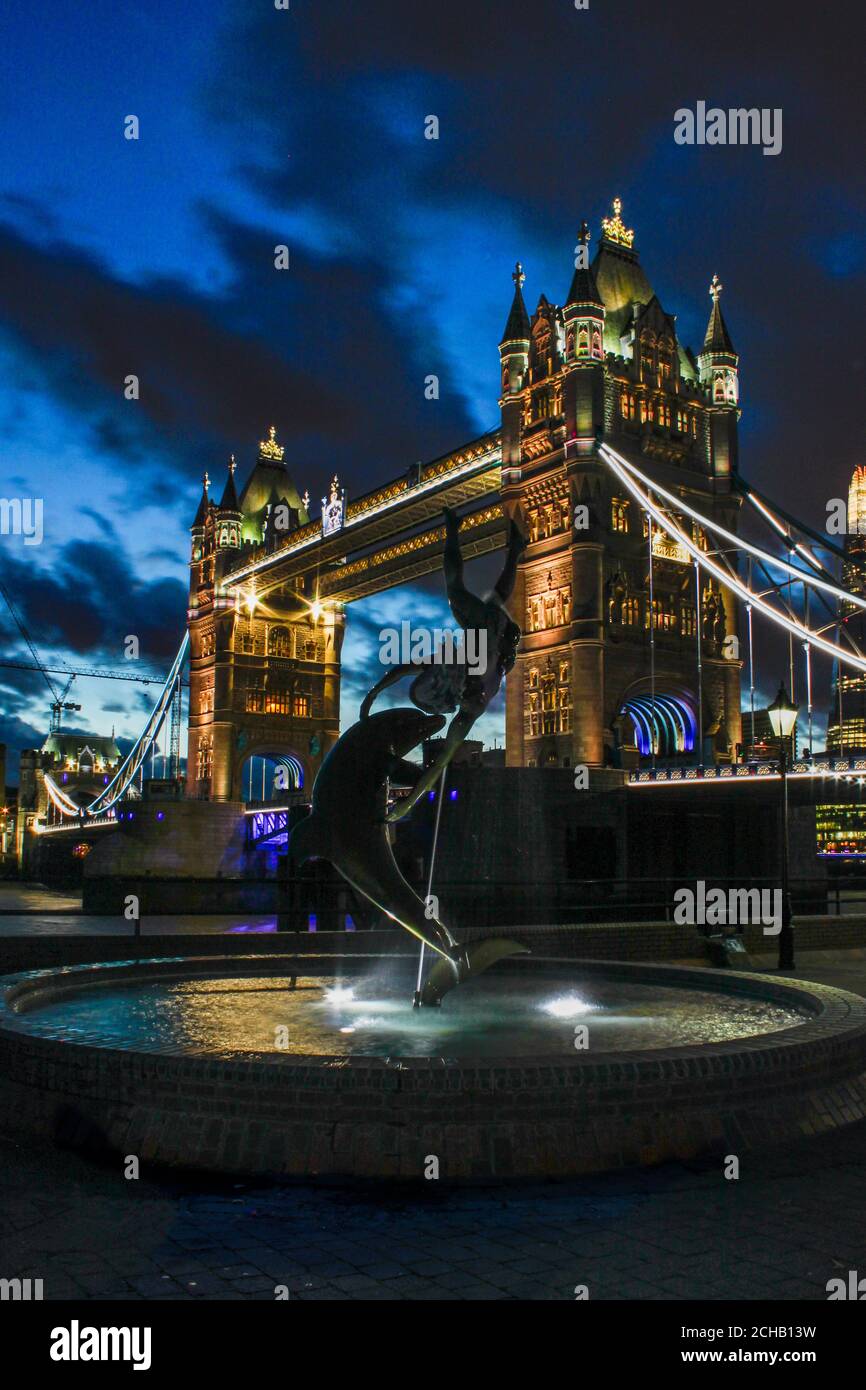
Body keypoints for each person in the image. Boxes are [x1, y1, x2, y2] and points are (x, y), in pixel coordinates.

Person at [360, 506, 526, 822]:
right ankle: (467, 532)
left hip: (495, 634)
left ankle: (509, 547)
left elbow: (407, 668)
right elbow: (436, 766)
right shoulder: (468, 697)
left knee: (487, 597)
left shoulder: (467, 696)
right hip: (491, 632)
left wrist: (374, 693)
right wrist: (373, 693)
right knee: (462, 593)